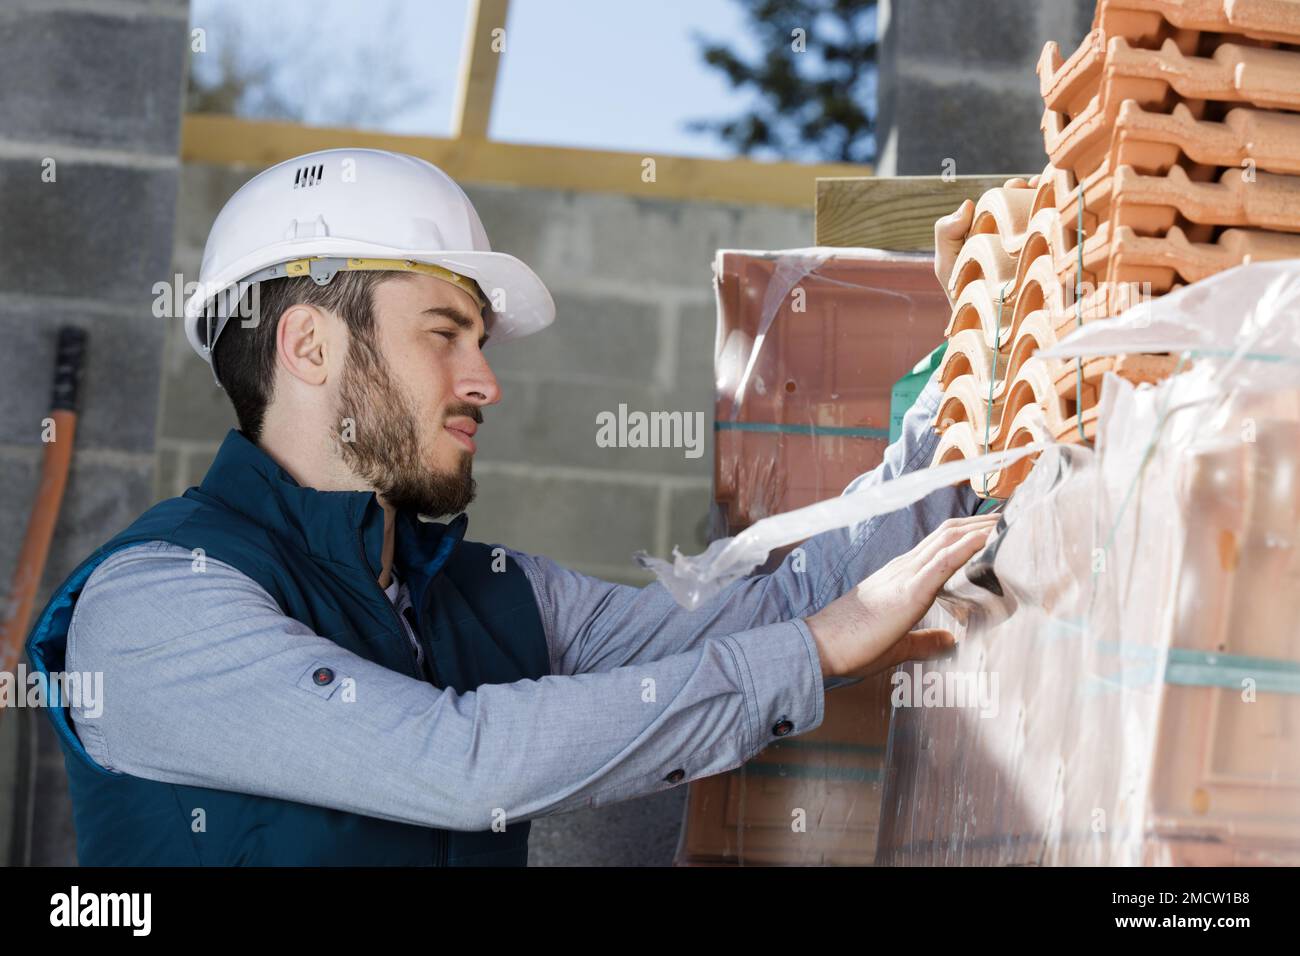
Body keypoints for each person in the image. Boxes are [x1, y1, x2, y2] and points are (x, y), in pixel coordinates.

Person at [26, 148, 992, 865]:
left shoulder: (489, 592)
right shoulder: (152, 607)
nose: (486, 381)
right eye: (445, 333)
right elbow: (458, 762)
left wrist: (976, 360)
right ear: (310, 346)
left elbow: (775, 612)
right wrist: (819, 650)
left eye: (480, 342)